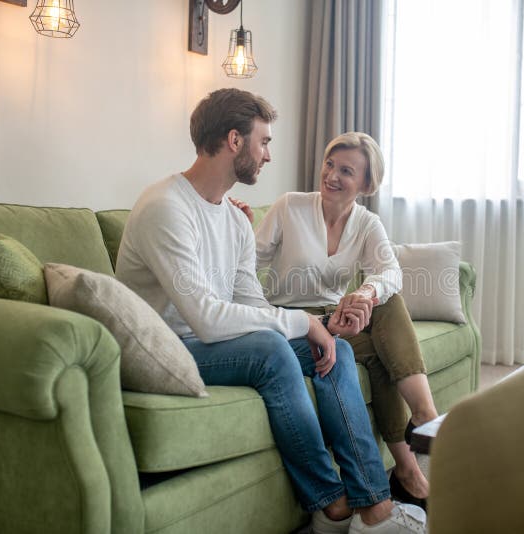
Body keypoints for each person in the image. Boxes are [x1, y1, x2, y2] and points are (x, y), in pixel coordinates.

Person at [115, 89, 425, 534]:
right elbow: (205, 317)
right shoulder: (166, 206)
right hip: (170, 345)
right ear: (234, 140)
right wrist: (302, 321)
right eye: (264, 142)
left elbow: (249, 302)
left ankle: (374, 506)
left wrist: (318, 329)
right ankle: (331, 503)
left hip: (212, 339)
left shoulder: (234, 219)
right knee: (272, 351)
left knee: (333, 349)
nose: (268, 155)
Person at [248, 132, 439, 509]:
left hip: (336, 323)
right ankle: (413, 458)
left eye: (346, 171)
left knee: (386, 300)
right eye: (330, 164)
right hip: (292, 324)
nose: (332, 175)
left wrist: (364, 294)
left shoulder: (367, 223)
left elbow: (390, 272)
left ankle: (422, 420)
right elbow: (248, 264)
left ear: (366, 184)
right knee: (382, 348)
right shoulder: (290, 207)